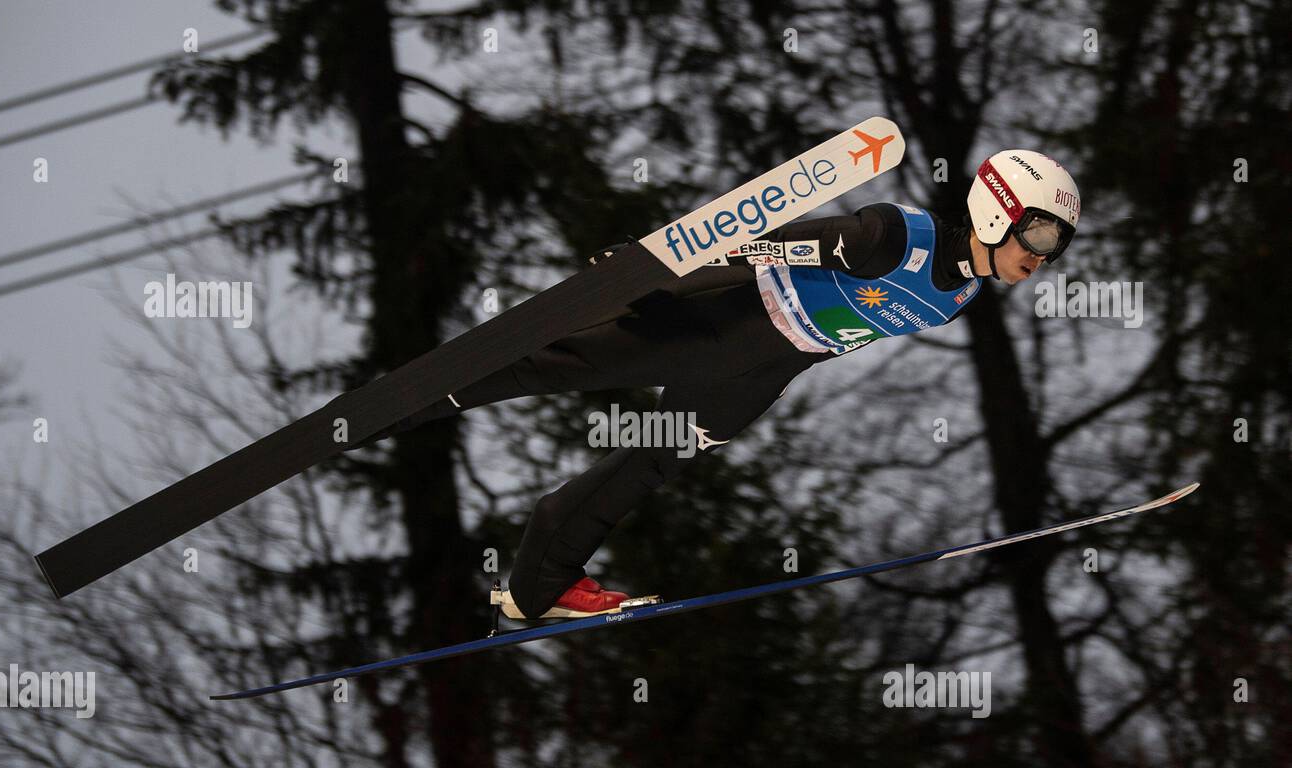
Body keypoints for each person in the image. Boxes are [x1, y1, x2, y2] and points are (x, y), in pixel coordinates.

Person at [356, 149, 1081, 620]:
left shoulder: (962, 294)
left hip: (759, 376)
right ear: (997, 207)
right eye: (1041, 236)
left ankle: (538, 588)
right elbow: (772, 244)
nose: (1043, 258)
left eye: (1057, 246)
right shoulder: (897, 237)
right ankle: (387, 412)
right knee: (553, 363)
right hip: (719, 327)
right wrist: (652, 274)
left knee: (647, 464)